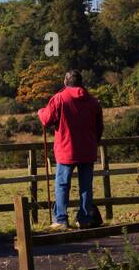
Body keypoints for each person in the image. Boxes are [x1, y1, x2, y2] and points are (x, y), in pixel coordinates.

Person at [37, 69, 104, 229]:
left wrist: (40, 112)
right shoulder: (93, 101)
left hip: (66, 149)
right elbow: (99, 128)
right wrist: (93, 142)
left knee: (62, 185)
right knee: (86, 186)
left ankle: (61, 219)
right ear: (81, 83)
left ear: (66, 82)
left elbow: (47, 120)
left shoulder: (59, 98)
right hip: (87, 150)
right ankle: (84, 219)